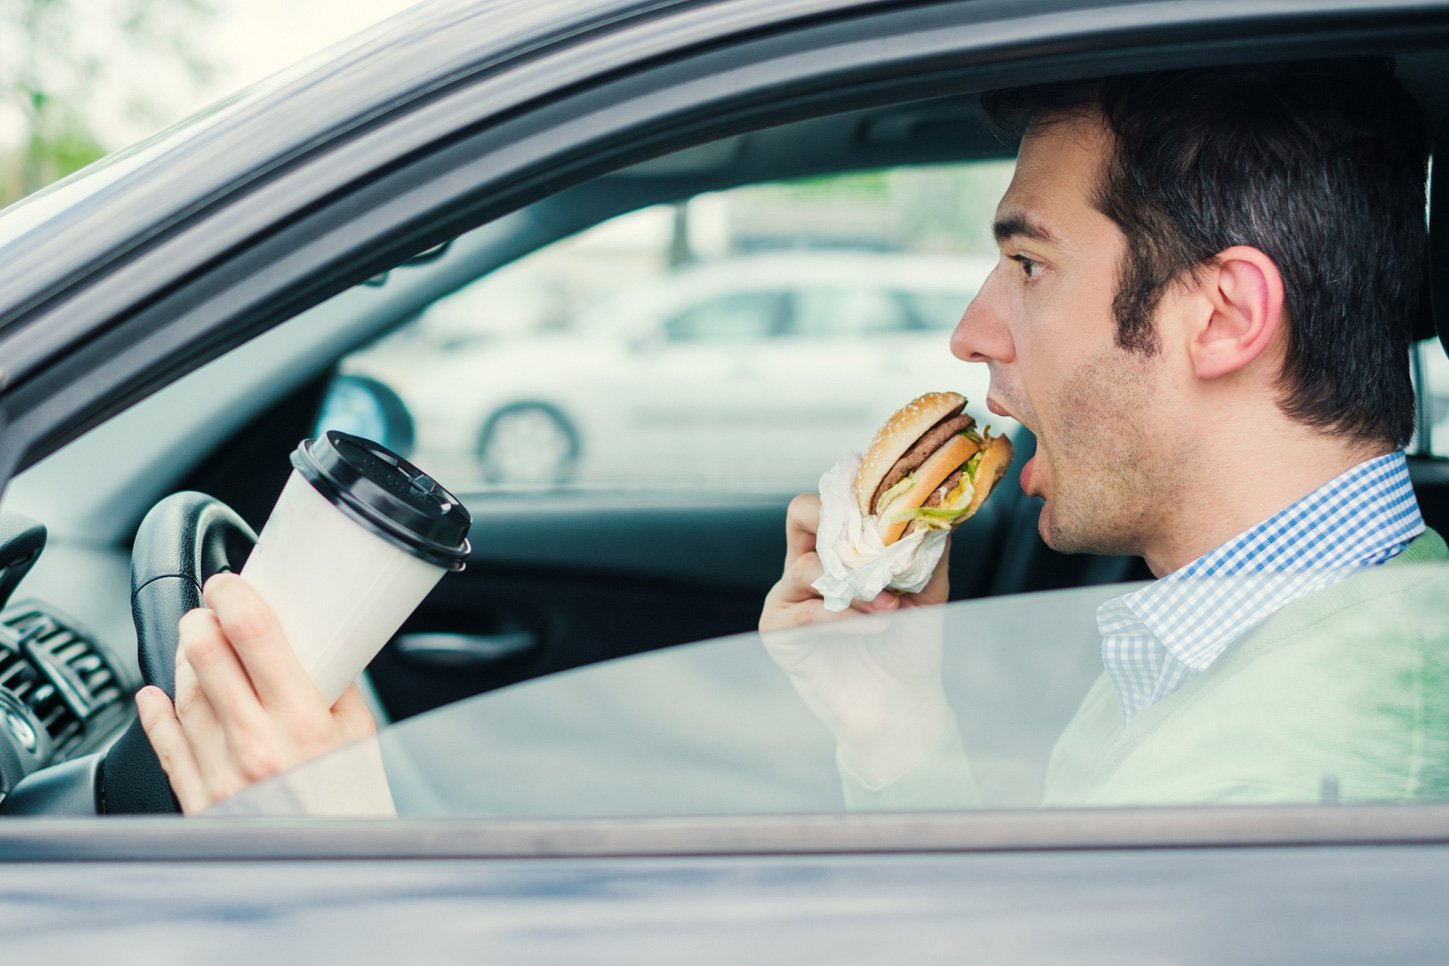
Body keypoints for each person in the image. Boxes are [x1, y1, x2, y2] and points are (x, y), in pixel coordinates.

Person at [760, 59, 1449, 807]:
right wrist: (893, 728)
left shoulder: (1295, 766)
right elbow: (1033, 922)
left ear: (1223, 317)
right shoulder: (1243, 641)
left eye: (1028, 264)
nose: (969, 336)